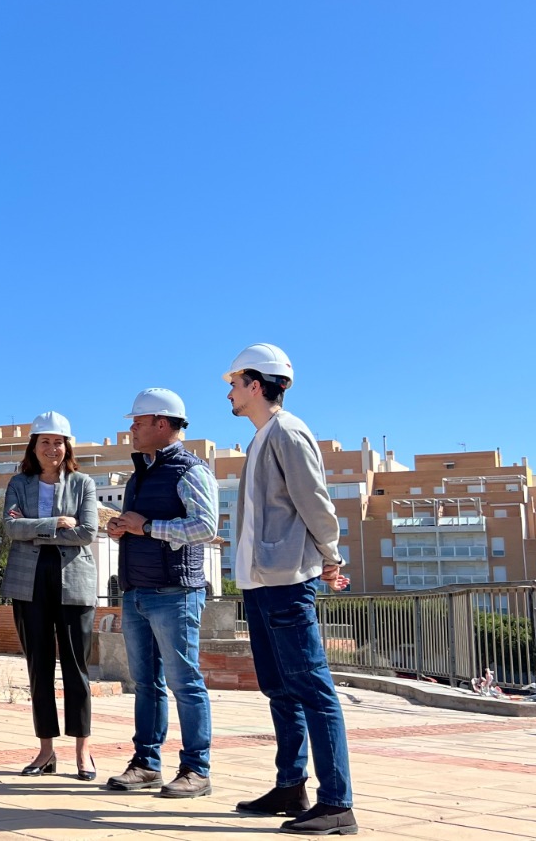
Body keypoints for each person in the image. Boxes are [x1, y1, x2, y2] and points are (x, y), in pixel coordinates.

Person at [224, 343, 357, 836]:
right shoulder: (263, 437)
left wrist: (330, 555)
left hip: (286, 582)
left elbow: (315, 503)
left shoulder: (288, 432)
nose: (230, 393)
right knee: (280, 689)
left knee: (313, 690)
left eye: (235, 383)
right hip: (261, 583)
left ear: (257, 384)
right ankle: (290, 787)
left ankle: (337, 803)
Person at [102, 389, 218, 801]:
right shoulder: (139, 476)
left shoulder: (191, 471)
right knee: (145, 683)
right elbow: (143, 527)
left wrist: (147, 526)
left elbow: (205, 527)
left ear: (163, 424)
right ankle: (147, 764)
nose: (131, 428)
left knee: (185, 683)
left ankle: (196, 770)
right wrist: (124, 529)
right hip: (136, 592)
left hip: (175, 594)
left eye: (138, 421)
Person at [1, 411, 100, 781]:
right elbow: (11, 527)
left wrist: (35, 531)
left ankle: (83, 751)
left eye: (59, 442)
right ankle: (45, 751)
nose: (52, 448)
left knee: (77, 668)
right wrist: (56, 523)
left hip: (73, 581)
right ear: (34, 446)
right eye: (45, 441)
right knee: (38, 667)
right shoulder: (18, 484)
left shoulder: (83, 484)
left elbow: (87, 532)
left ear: (67, 446)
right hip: (29, 582)